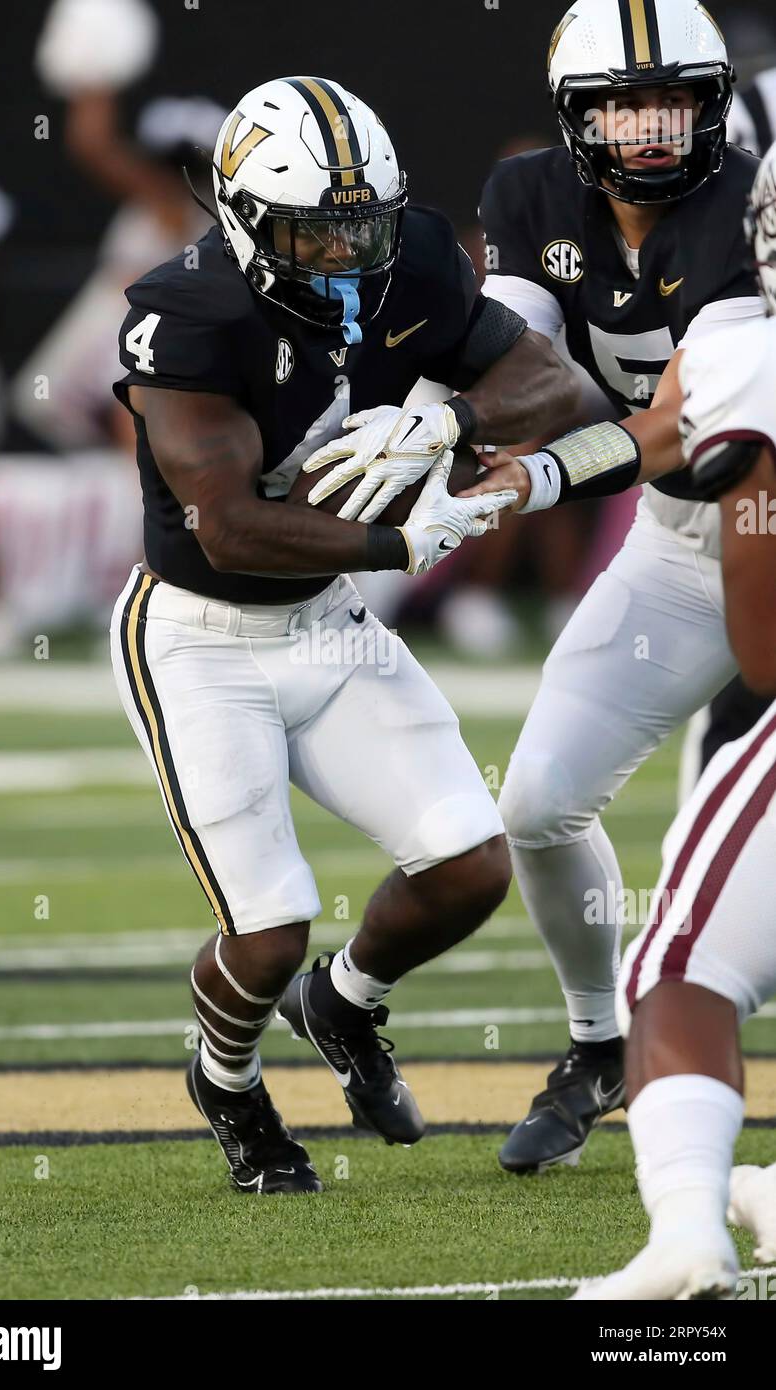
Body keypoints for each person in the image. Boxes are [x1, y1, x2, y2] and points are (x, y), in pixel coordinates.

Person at [110, 77, 576, 1194]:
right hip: (201, 640)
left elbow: (549, 382)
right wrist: (401, 544)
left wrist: (448, 416)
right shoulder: (188, 315)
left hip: (326, 625)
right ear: (242, 217)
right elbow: (224, 527)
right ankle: (226, 1080)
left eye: (361, 221)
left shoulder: (409, 258)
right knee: (264, 932)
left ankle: (348, 998)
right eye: (316, 226)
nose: (345, 249)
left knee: (468, 867)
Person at [454, 0, 766, 1172]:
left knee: (732, 858)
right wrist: (443, 419)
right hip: (679, 554)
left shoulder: (744, 201)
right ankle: (595, 1043)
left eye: (672, 98)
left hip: (752, 522)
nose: (648, 127)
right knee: (533, 801)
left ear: (710, 101)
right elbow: (518, 363)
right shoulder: (527, 197)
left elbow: (680, 423)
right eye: (621, 104)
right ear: (574, 115)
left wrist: (530, 476)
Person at [574, 140, 776, 1300]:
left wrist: (750, 500)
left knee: (680, 969)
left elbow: (759, 654)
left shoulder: (744, 359)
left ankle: (685, 1228)